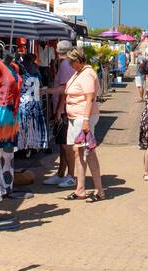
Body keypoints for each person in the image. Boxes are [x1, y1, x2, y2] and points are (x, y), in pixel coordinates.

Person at [58, 48, 105, 202]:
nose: (70, 65)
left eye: (71, 62)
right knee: (79, 152)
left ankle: (99, 190)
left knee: (88, 152)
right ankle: (80, 189)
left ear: (78, 61)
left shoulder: (87, 74)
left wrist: (85, 120)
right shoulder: (80, 73)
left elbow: (89, 98)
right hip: (76, 118)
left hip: (83, 117)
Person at [43, 41, 78, 188]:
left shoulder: (64, 65)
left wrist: (58, 110)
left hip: (64, 110)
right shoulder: (68, 64)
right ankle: (61, 173)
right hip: (65, 109)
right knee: (62, 144)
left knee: (65, 145)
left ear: (57, 51)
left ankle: (71, 175)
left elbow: (65, 90)